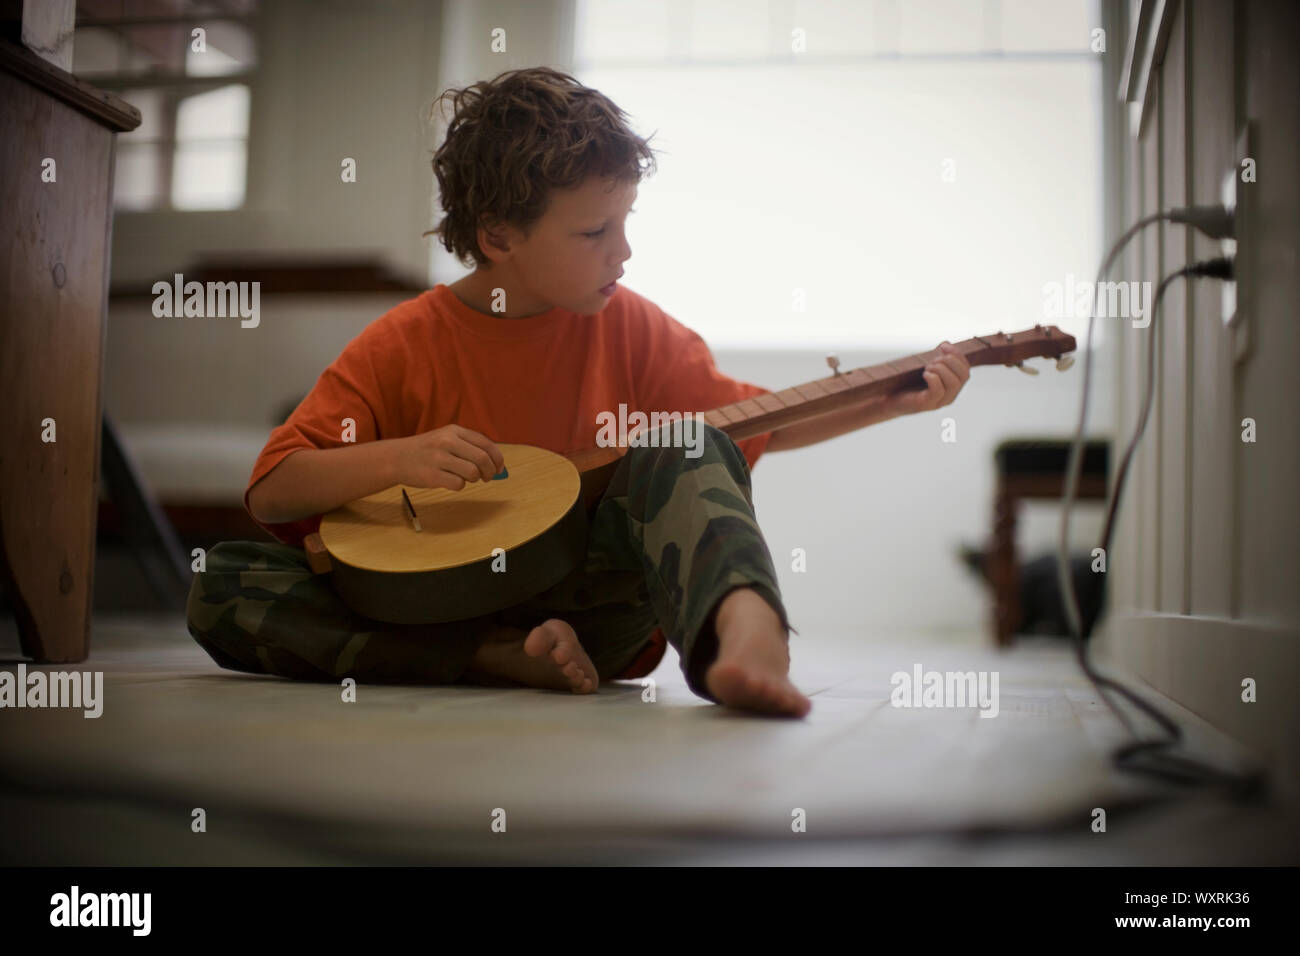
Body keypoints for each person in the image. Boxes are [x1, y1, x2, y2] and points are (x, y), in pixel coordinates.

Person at [186, 67, 970, 718]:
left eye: (626, 221)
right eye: (595, 232)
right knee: (222, 583)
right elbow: (275, 491)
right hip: (431, 608)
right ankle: (490, 661)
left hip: (591, 607)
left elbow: (754, 421)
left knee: (688, 441)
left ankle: (748, 631)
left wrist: (887, 400)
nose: (622, 252)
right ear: (498, 236)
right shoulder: (406, 340)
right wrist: (399, 458)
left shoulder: (633, 328)